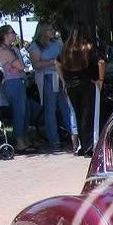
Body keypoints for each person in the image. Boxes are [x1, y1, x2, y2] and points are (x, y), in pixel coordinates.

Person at [59, 22, 105, 157]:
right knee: (89, 115)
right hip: (87, 83)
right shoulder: (89, 48)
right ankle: (90, 147)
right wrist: (100, 80)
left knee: (78, 115)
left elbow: (57, 62)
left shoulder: (65, 49)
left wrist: (63, 80)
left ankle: (82, 145)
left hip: (71, 85)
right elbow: (101, 62)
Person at [0, 25, 36, 153]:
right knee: (19, 112)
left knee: (25, 112)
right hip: (12, 83)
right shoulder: (5, 50)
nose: (14, 35)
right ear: (5, 35)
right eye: (12, 33)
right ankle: (19, 142)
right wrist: (18, 58)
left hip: (19, 82)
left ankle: (25, 138)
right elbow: (20, 66)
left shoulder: (12, 49)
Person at [28, 22, 68, 150]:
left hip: (61, 76)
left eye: (53, 29)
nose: (53, 31)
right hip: (47, 78)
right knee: (50, 109)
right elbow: (36, 65)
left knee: (65, 107)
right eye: (50, 29)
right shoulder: (36, 46)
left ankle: (71, 133)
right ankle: (54, 139)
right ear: (43, 31)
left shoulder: (58, 43)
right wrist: (53, 62)